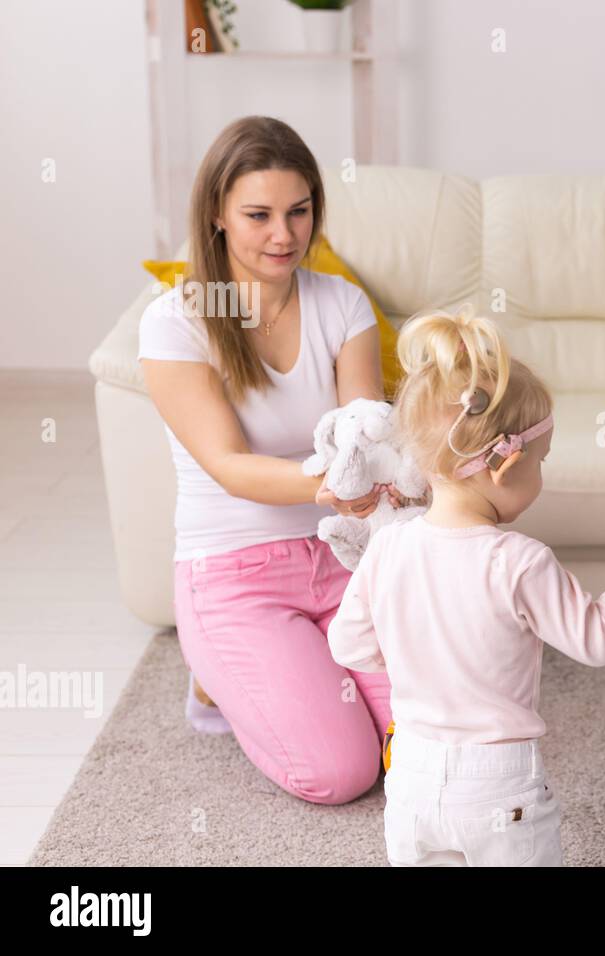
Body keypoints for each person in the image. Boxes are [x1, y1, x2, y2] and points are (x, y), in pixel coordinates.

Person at [327, 305, 605, 866]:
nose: (541, 474)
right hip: (498, 783)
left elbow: (347, 645)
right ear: (504, 466)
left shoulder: (389, 547)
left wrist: (414, 654)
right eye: (540, 460)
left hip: (412, 774)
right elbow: (596, 640)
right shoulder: (520, 561)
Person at [138, 116, 403, 804]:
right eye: (258, 215)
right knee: (341, 773)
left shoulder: (342, 304)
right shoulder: (175, 320)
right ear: (218, 216)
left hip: (342, 558)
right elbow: (227, 465)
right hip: (234, 570)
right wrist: (331, 490)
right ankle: (217, 678)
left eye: (298, 212)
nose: (283, 235)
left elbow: (363, 430)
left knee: (427, 746)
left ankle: (287, 669)